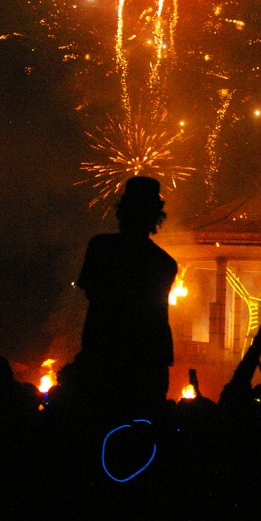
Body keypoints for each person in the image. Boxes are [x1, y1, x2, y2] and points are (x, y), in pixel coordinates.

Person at [76, 176, 178, 413]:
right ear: (156, 216)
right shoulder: (165, 263)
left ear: (122, 211)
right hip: (148, 365)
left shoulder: (101, 247)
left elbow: (91, 292)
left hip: (101, 359)